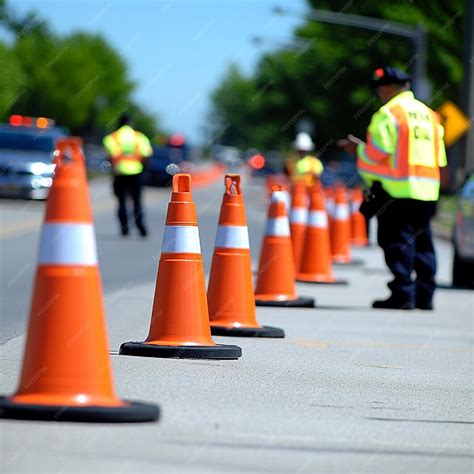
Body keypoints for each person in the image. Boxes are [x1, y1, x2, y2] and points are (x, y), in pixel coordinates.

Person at [338, 66, 447, 310]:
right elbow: (440, 158)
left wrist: (359, 150)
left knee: (397, 243)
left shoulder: (388, 114)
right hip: (428, 191)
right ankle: (425, 296)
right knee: (423, 244)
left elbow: (378, 154)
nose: (379, 93)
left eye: (380, 88)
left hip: (397, 192)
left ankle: (403, 294)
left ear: (387, 87)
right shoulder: (430, 115)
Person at [103, 114, 153, 237]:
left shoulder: (112, 138)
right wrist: (145, 170)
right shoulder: (139, 136)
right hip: (136, 172)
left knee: (121, 201)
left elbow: (110, 157)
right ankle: (140, 226)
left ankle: (124, 228)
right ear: (131, 123)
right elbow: (146, 155)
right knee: (137, 201)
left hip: (119, 173)